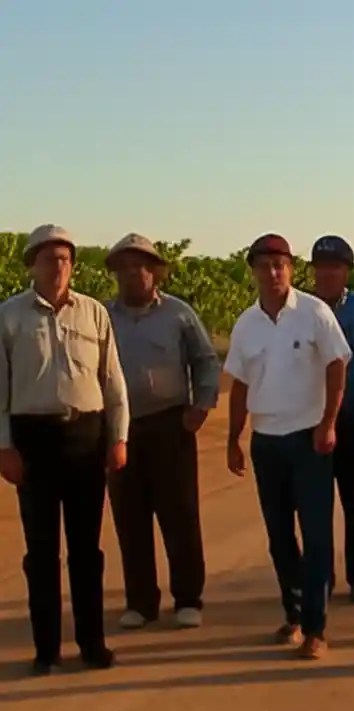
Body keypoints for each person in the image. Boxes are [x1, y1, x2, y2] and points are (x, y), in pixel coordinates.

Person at [0, 224, 129, 675]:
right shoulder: (9, 316)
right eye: (49, 258)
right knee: (41, 552)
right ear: (31, 264)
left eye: (65, 259)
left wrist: (118, 437)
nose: (58, 266)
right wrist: (5, 448)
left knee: (86, 550)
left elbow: (113, 382)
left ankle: (92, 644)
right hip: (33, 442)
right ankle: (46, 650)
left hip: (84, 439)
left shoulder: (93, 313)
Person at [224, 233, 351, 661]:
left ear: (291, 269)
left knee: (316, 535)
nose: (273, 272)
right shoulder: (246, 324)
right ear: (254, 272)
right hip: (267, 442)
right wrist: (233, 439)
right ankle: (293, 614)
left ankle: (316, 627)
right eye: (265, 265)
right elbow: (239, 385)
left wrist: (329, 423)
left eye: (281, 264)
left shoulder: (314, 313)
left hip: (310, 438)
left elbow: (337, 365)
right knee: (280, 536)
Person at [105, 233, 220, 631]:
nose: (133, 272)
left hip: (171, 425)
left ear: (155, 271)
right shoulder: (103, 317)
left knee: (180, 514)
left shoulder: (179, 314)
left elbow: (205, 361)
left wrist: (201, 405)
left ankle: (188, 598)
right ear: (116, 273)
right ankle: (140, 601)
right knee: (129, 517)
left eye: (141, 265)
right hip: (119, 431)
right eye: (125, 266)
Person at [310, 235, 354, 604]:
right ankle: (322, 578)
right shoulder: (301, 310)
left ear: (347, 271)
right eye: (321, 267)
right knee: (316, 505)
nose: (327, 274)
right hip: (311, 422)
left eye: (334, 267)